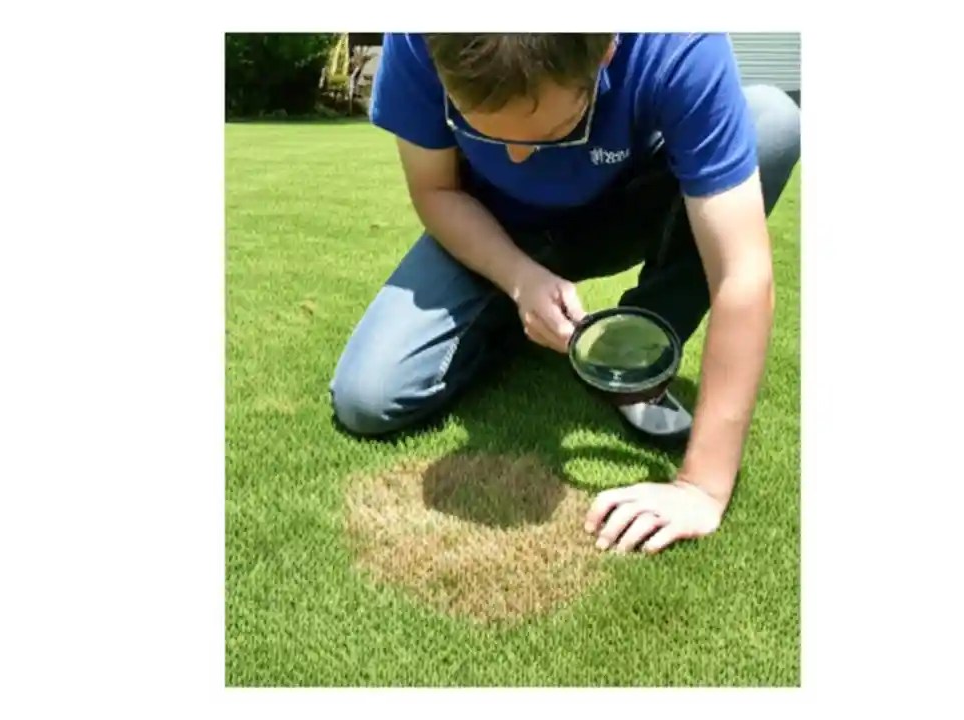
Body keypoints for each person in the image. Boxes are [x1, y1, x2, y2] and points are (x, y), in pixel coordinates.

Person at [330, 33, 800, 555]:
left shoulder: (680, 40)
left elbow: (741, 272)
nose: (516, 156)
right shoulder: (420, 35)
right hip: (495, 225)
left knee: (772, 122)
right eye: (481, 126)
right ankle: (512, 317)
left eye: (548, 132)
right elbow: (435, 189)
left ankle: (632, 355)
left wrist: (701, 488)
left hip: (629, 207)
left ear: (606, 50)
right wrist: (517, 277)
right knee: (367, 397)